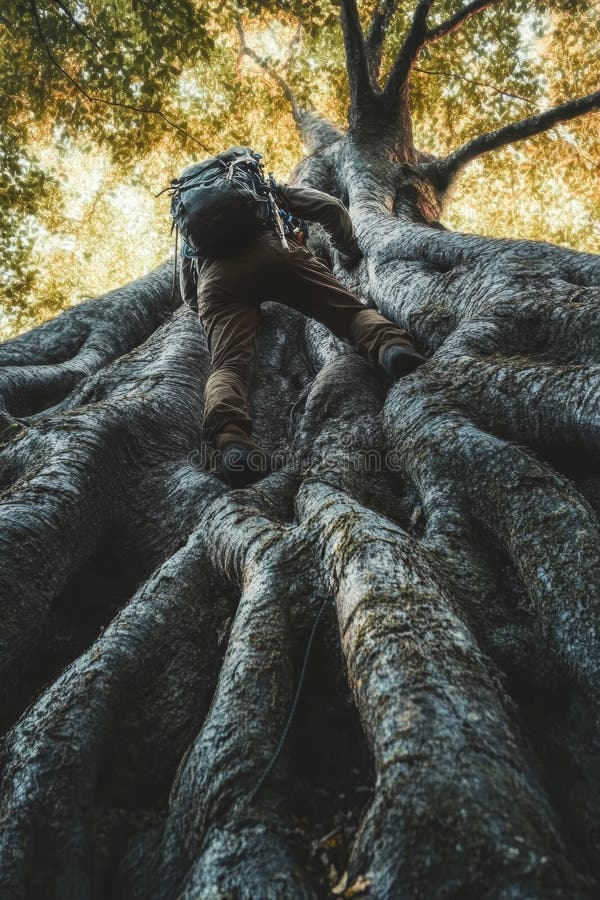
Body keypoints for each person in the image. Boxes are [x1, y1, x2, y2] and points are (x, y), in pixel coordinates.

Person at [176, 152, 426, 488]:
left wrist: (219, 311)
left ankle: (232, 441)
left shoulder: (191, 231)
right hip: (277, 251)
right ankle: (393, 350)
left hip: (217, 281)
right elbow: (331, 208)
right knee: (350, 314)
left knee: (228, 367)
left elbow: (189, 296)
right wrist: (346, 248)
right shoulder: (263, 191)